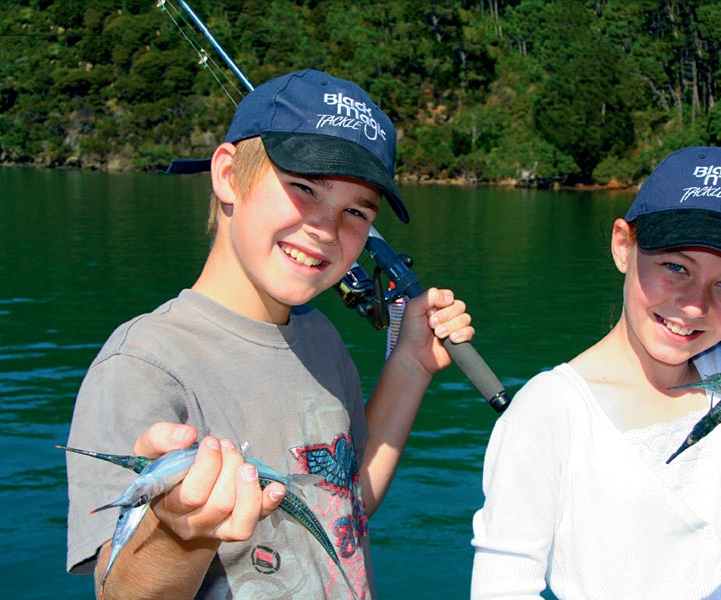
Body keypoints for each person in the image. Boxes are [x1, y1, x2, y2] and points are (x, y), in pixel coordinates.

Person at [65, 69, 474, 600]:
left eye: (355, 211)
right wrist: (178, 531)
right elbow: (121, 593)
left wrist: (411, 366)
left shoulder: (321, 339)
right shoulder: (142, 364)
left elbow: (343, 503)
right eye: (304, 187)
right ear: (228, 175)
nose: (326, 229)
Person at [471, 146, 721, 600]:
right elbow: (502, 587)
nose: (694, 304)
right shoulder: (548, 410)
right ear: (623, 246)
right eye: (675, 266)